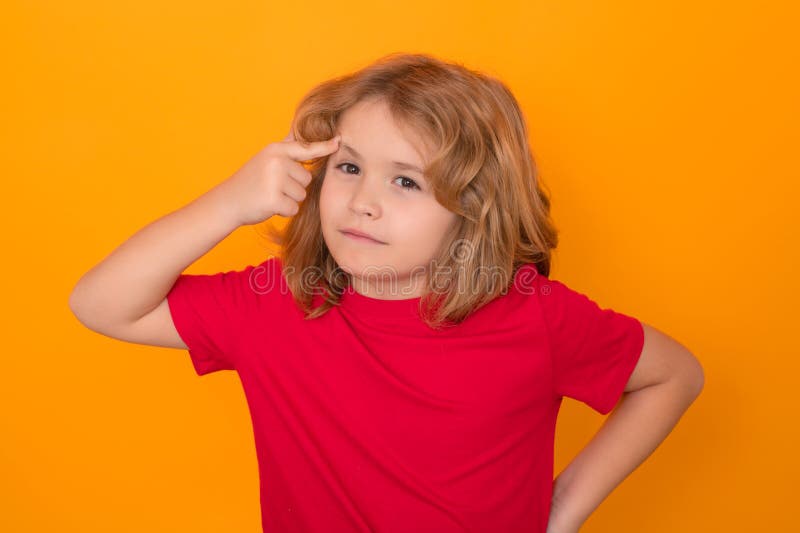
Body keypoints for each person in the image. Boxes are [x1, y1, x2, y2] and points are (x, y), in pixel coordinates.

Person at [69, 52, 705, 533]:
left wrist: (561, 511)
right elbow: (99, 304)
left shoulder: (534, 317)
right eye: (348, 168)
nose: (362, 202)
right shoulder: (277, 302)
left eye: (406, 182)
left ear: (474, 208)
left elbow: (673, 375)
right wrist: (227, 204)